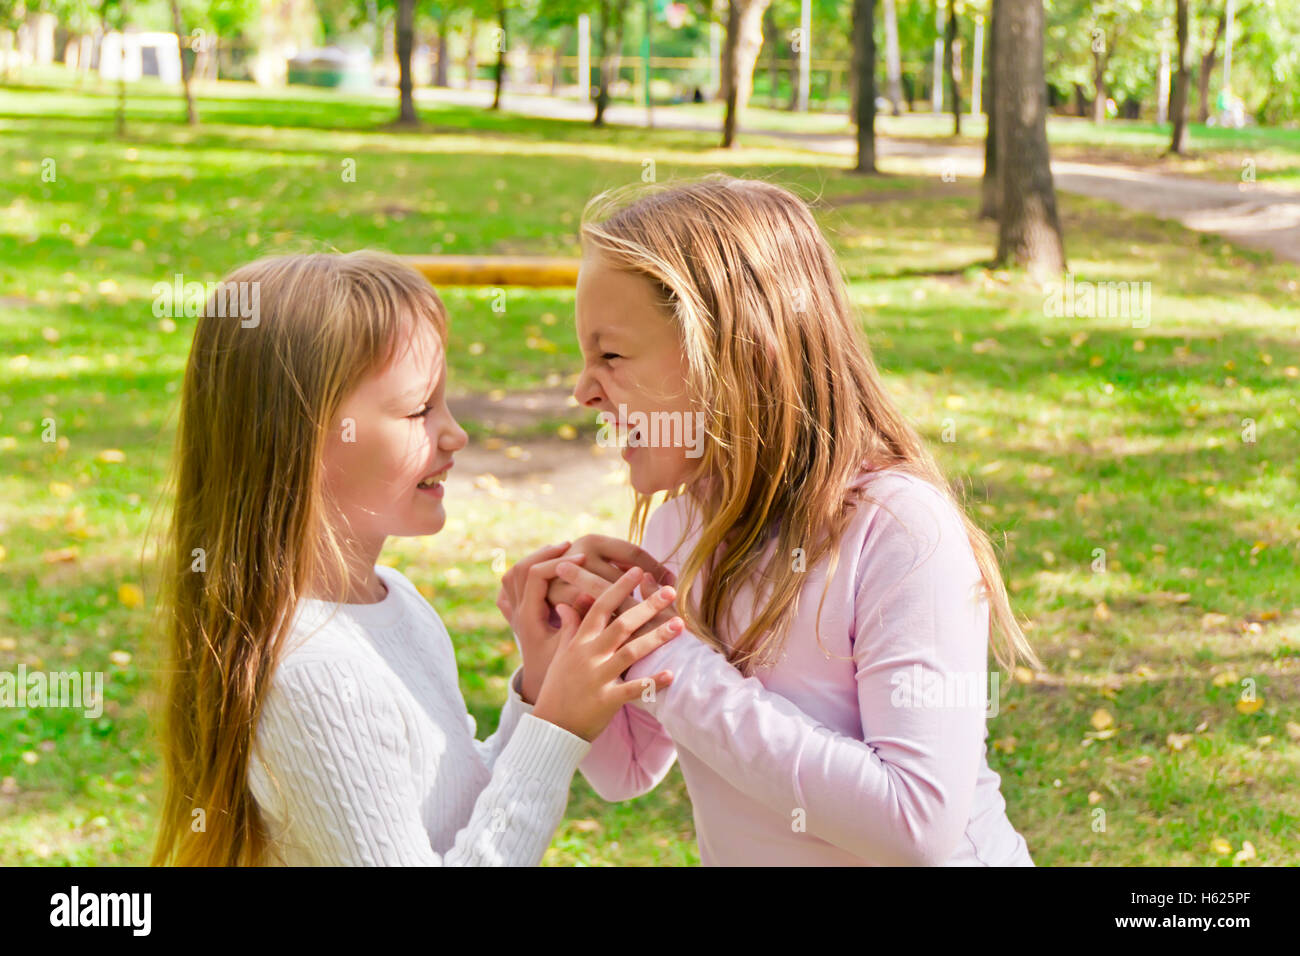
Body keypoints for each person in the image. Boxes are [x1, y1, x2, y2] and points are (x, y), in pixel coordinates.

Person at [544, 175, 1040, 865]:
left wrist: (673, 659)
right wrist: (567, 641)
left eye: (612, 356)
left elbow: (915, 826)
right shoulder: (683, 526)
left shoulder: (897, 532)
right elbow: (626, 769)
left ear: (735, 355)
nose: (583, 389)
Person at [150, 251, 682, 866]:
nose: (455, 434)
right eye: (419, 410)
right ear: (300, 436)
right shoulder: (314, 674)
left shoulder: (393, 600)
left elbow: (452, 813)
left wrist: (537, 690)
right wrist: (556, 730)